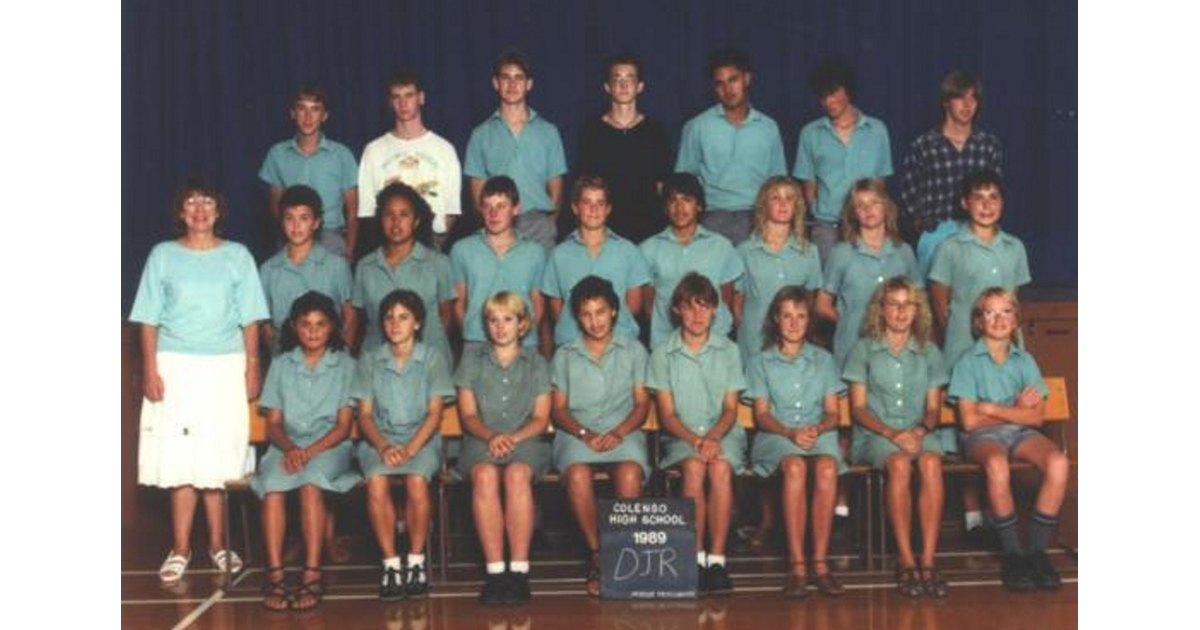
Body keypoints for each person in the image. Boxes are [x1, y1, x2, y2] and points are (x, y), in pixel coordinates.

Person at [129, 177, 269, 584]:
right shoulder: (162, 255)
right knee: (180, 459)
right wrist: (151, 369)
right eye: (191, 202)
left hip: (226, 365)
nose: (200, 209)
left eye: (207, 201)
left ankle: (220, 546)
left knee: (219, 458)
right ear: (181, 212)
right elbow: (149, 318)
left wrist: (253, 365)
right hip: (175, 366)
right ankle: (181, 549)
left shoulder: (238, 256)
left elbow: (251, 318)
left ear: (219, 210)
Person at [929, 170, 1031, 547]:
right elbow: (940, 302)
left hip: (1005, 350)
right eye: (978, 197)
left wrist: (1016, 346)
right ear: (964, 203)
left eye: (993, 197)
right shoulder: (951, 247)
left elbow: (1016, 302)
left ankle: (996, 515)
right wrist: (956, 340)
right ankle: (974, 517)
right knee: (967, 434)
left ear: (1002, 203)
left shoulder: (1014, 247)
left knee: (1000, 429)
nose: (986, 205)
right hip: (962, 348)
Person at [949, 288, 1068, 592]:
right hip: (982, 437)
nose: (998, 319)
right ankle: (1013, 553)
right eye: (990, 312)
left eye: (1006, 312)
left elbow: (1037, 418)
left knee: (1058, 462)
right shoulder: (967, 362)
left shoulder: (1024, 360)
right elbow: (970, 420)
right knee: (997, 463)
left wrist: (994, 408)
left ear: (1015, 320)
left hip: (1021, 434)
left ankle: (1037, 553)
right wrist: (1016, 410)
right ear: (979, 322)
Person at [252, 292, 360, 611]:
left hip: (330, 447)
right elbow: (272, 425)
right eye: (305, 325)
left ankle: (312, 573)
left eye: (320, 324)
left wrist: (308, 452)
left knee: (311, 482)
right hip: (286, 446)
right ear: (294, 328)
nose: (312, 331)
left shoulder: (346, 365)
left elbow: (342, 427)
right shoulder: (282, 364)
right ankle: (275, 574)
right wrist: (291, 448)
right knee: (272, 484)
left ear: (332, 328)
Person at [843, 278, 949, 598]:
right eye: (894, 304)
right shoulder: (864, 349)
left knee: (931, 463)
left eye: (909, 304)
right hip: (877, 434)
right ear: (881, 309)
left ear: (918, 310)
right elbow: (859, 409)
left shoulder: (929, 351)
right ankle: (905, 560)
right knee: (900, 466)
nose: (901, 312)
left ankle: (928, 561)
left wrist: (917, 431)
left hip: (918, 433)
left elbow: (933, 411)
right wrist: (893, 434)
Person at [549, 276, 652, 597]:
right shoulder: (565, 355)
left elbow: (641, 405)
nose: (594, 321)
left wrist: (619, 432)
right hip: (577, 435)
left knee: (630, 473)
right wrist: (585, 433)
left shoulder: (634, 350)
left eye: (601, 312)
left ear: (615, 312)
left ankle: (622, 552)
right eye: (586, 314)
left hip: (624, 432)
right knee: (578, 475)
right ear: (577, 317)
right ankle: (599, 555)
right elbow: (559, 411)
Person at [648, 273, 746, 596]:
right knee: (692, 467)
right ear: (676, 310)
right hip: (682, 437)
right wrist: (695, 441)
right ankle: (695, 558)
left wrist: (713, 438)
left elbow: (731, 409)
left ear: (716, 309)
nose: (697, 315)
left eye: (704, 307)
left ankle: (717, 560)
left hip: (723, 435)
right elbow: (667, 414)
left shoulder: (729, 350)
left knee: (718, 468)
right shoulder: (662, 354)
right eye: (689, 308)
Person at [352, 290, 454, 601]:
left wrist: (410, 448)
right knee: (377, 481)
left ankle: (416, 561)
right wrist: (383, 446)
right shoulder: (370, 359)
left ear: (418, 322)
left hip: (420, 440)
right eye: (389, 317)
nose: (395, 324)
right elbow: (365, 415)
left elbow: (436, 413)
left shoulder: (433, 358)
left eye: (403, 317)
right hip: (380, 440)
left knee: (415, 480)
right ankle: (391, 564)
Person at [745, 286, 845, 598]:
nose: (793, 323)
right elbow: (761, 415)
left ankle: (820, 563)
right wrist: (790, 433)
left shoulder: (824, 360)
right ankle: (798, 565)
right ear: (775, 319)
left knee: (827, 467)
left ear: (808, 321)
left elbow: (833, 413)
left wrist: (817, 428)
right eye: (786, 316)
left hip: (816, 433)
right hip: (776, 436)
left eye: (800, 316)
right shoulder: (760, 362)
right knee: (795, 467)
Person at [455, 292, 553, 605]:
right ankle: (496, 573)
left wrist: (513, 438)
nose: (500, 327)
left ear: (522, 325)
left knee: (516, 474)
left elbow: (541, 418)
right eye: (493, 320)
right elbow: (468, 415)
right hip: (481, 439)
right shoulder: (472, 360)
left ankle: (520, 572)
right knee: (484, 475)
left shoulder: (537, 362)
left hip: (526, 441)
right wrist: (492, 435)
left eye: (508, 319)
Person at [675, 49, 786, 245]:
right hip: (712, 217)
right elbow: (685, 183)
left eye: (733, 80)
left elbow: (777, 182)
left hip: (758, 218)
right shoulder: (697, 126)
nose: (728, 89)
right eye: (720, 83)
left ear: (747, 79)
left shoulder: (768, 128)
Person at [899, 71, 1003, 279]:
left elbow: (995, 193)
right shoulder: (924, 145)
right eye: (960, 97)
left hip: (977, 231)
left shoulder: (989, 145)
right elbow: (909, 195)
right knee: (931, 302)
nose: (967, 104)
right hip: (937, 233)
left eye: (973, 98)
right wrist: (927, 229)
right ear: (946, 102)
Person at [464, 48, 568, 252]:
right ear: (496, 83)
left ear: (529, 84)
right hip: (497, 226)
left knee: (540, 285)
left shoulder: (548, 132)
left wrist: (549, 224)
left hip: (539, 226)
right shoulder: (480, 134)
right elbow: (478, 194)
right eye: (506, 78)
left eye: (519, 78)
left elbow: (556, 189)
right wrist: (495, 225)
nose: (512, 85)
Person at [794, 58, 893, 264]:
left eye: (833, 93)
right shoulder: (810, 133)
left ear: (848, 91)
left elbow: (880, 185)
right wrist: (822, 217)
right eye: (822, 96)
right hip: (826, 229)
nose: (828, 101)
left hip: (865, 226)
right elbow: (809, 187)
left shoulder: (877, 130)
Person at [357, 68, 462, 254]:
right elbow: (367, 212)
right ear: (390, 102)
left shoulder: (444, 149)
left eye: (409, 95)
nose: (403, 103)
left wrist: (434, 241)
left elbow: (452, 210)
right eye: (396, 97)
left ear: (421, 98)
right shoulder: (373, 151)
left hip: (432, 242)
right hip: (388, 244)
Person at [817, 179, 921, 369]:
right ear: (853, 213)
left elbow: (920, 300)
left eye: (874, 202)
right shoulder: (842, 253)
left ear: (886, 207)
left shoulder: (903, 251)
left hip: (895, 351)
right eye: (860, 205)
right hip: (850, 350)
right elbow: (822, 304)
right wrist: (849, 322)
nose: (868, 209)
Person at [350, 182, 454, 365]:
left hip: (430, 364)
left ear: (416, 221)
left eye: (404, 215)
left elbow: (446, 317)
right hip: (378, 363)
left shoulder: (438, 263)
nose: (396, 222)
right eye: (389, 214)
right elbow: (362, 319)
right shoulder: (365, 266)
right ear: (380, 219)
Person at [541, 175, 650, 347]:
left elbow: (634, 307)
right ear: (575, 208)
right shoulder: (559, 255)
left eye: (600, 203)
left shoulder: (628, 251)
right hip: (573, 347)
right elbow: (557, 312)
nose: (594, 209)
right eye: (587, 203)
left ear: (608, 209)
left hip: (620, 346)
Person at [577, 53, 673, 243]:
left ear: (640, 87)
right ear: (607, 87)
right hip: (604, 232)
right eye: (617, 78)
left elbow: (662, 187)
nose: (623, 85)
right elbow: (585, 187)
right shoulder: (592, 133)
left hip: (649, 231)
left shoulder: (656, 133)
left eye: (630, 78)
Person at [640, 173, 743, 349]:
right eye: (673, 200)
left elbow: (725, 300)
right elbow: (648, 307)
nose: (680, 207)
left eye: (687, 199)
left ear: (699, 206)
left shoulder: (721, 247)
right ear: (665, 207)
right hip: (667, 347)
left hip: (713, 345)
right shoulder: (648, 249)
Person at [258, 86, 359, 258]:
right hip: (291, 236)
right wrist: (290, 235)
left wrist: (349, 250)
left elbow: (352, 212)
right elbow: (276, 208)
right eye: (301, 108)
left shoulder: (342, 155)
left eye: (315, 109)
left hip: (330, 235)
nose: (308, 117)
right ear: (292, 113)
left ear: (325, 116)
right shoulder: (277, 154)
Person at [450, 176, 547, 355]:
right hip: (477, 344)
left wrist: (524, 334)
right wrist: (471, 333)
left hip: (523, 345)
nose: (493, 214)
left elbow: (538, 302)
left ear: (516, 209)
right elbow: (458, 302)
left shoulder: (535, 252)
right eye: (487, 206)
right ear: (480, 209)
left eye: (501, 206)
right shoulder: (461, 249)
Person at [733, 176, 823, 362]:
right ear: (764, 205)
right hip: (753, 344)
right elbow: (737, 304)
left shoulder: (809, 251)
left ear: (797, 205)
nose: (783, 204)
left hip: (793, 344)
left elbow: (810, 303)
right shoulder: (745, 251)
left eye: (789, 198)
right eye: (775, 198)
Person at [259, 185, 353, 355]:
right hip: (286, 365)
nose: (296, 226)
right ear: (281, 222)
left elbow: (350, 317)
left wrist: (340, 360)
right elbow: (265, 326)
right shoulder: (268, 270)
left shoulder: (336, 265)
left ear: (316, 222)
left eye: (304, 218)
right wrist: (279, 359)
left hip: (329, 364)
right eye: (289, 218)